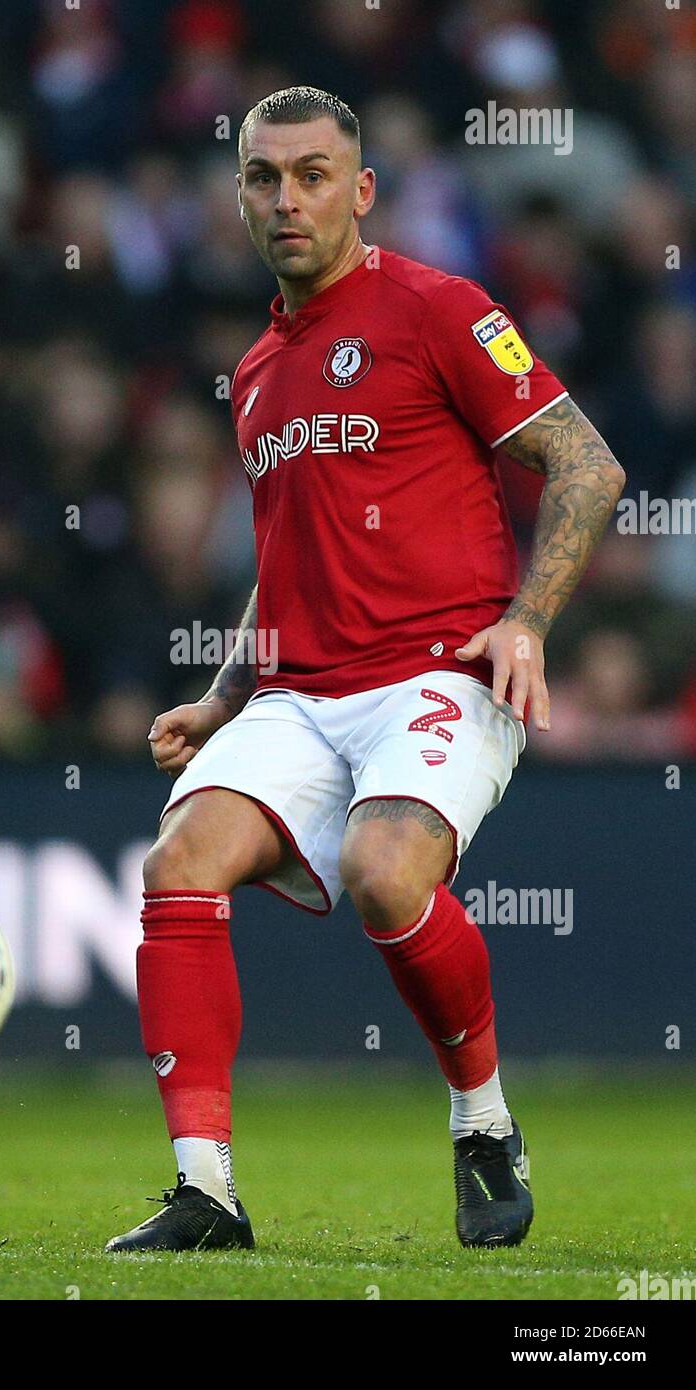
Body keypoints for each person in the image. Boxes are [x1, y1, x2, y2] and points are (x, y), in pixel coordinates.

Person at [106, 86, 625, 1254]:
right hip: (298, 696)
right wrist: (222, 697)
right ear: (236, 194)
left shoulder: (441, 309)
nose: (285, 199)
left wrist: (529, 620)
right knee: (176, 862)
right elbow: (288, 559)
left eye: (311, 174)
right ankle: (207, 1193)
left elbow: (586, 465)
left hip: (440, 671)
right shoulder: (252, 375)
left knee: (386, 872)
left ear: (361, 189)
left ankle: (482, 1125)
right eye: (260, 178)